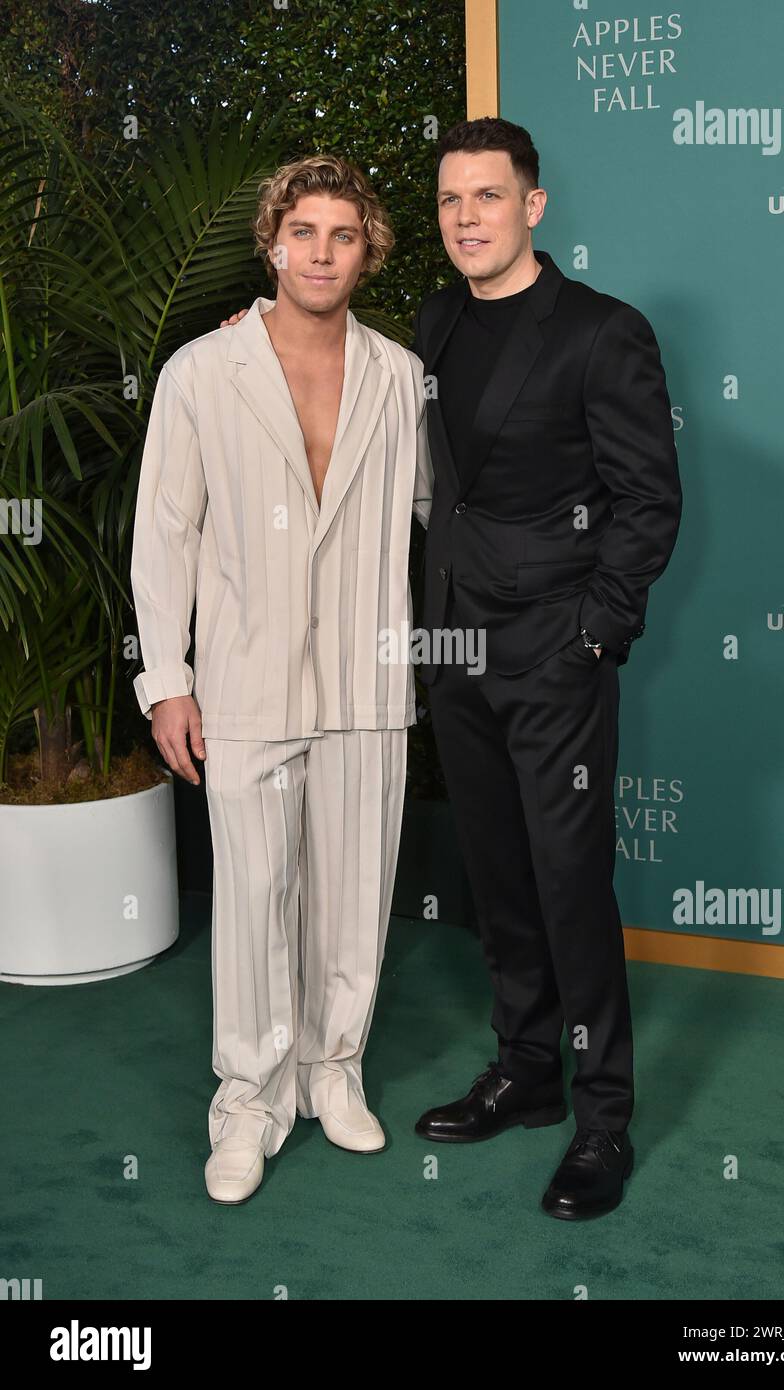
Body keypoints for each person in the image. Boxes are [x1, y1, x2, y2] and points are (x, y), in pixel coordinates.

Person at [130, 155, 433, 1205]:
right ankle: (247, 1102)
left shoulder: (398, 374)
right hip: (245, 680)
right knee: (254, 900)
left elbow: (443, 509)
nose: (319, 251)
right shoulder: (200, 374)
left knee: (356, 894)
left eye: (341, 235)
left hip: (365, 677)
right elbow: (163, 534)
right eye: (301, 231)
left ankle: (332, 1070)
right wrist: (166, 678)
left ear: (367, 250)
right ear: (269, 242)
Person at [408, 117, 682, 1220]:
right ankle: (526, 1070)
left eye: (486, 196)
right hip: (452, 645)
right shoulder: (429, 326)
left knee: (569, 887)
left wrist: (593, 631)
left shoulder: (600, 331)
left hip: (553, 655)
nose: (465, 218)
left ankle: (601, 1118)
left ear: (533, 205)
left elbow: (647, 497)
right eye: (448, 201)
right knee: (497, 878)